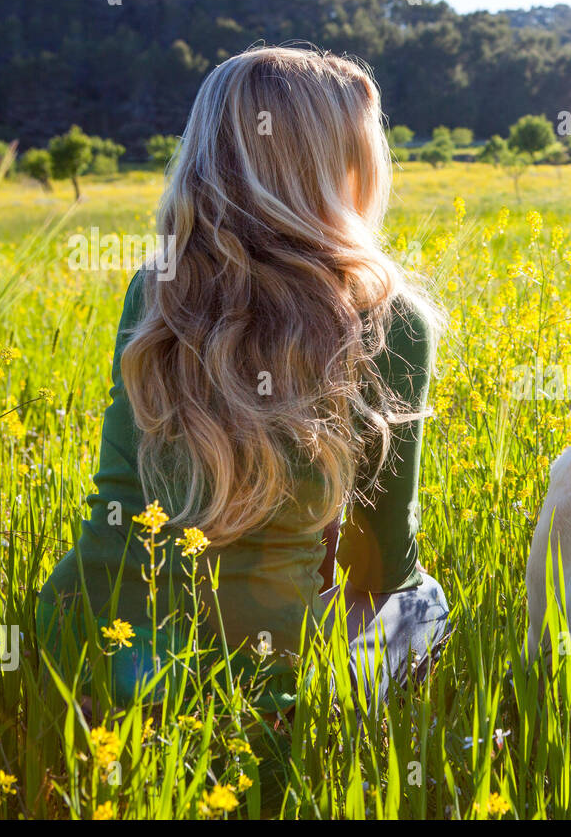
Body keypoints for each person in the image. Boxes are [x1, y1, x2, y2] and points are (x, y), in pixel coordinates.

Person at [36, 46, 449, 711]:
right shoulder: (386, 319)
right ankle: (340, 739)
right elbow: (381, 564)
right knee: (421, 602)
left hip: (82, 632)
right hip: (255, 676)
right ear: (340, 164)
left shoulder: (159, 289)